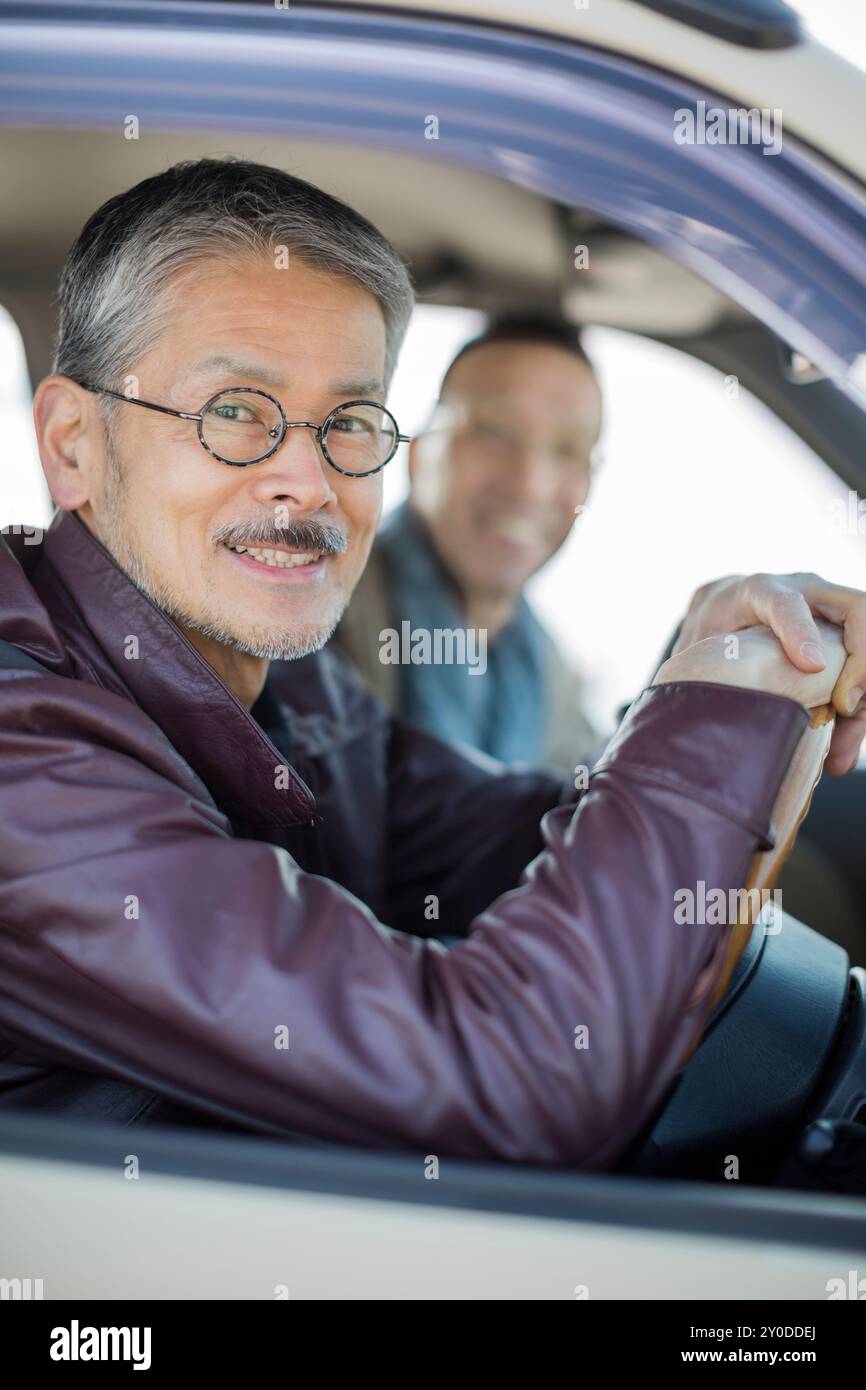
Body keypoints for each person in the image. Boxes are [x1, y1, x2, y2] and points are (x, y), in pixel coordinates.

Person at [0, 157, 864, 1170]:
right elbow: (509, 1077)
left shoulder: (288, 684)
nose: (306, 480)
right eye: (235, 408)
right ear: (71, 443)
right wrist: (710, 719)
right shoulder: (27, 761)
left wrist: (707, 668)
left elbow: (509, 839)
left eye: (350, 424)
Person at [335, 316, 602, 773]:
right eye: (495, 433)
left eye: (569, 450)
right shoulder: (324, 616)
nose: (532, 485)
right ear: (418, 456)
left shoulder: (548, 671)